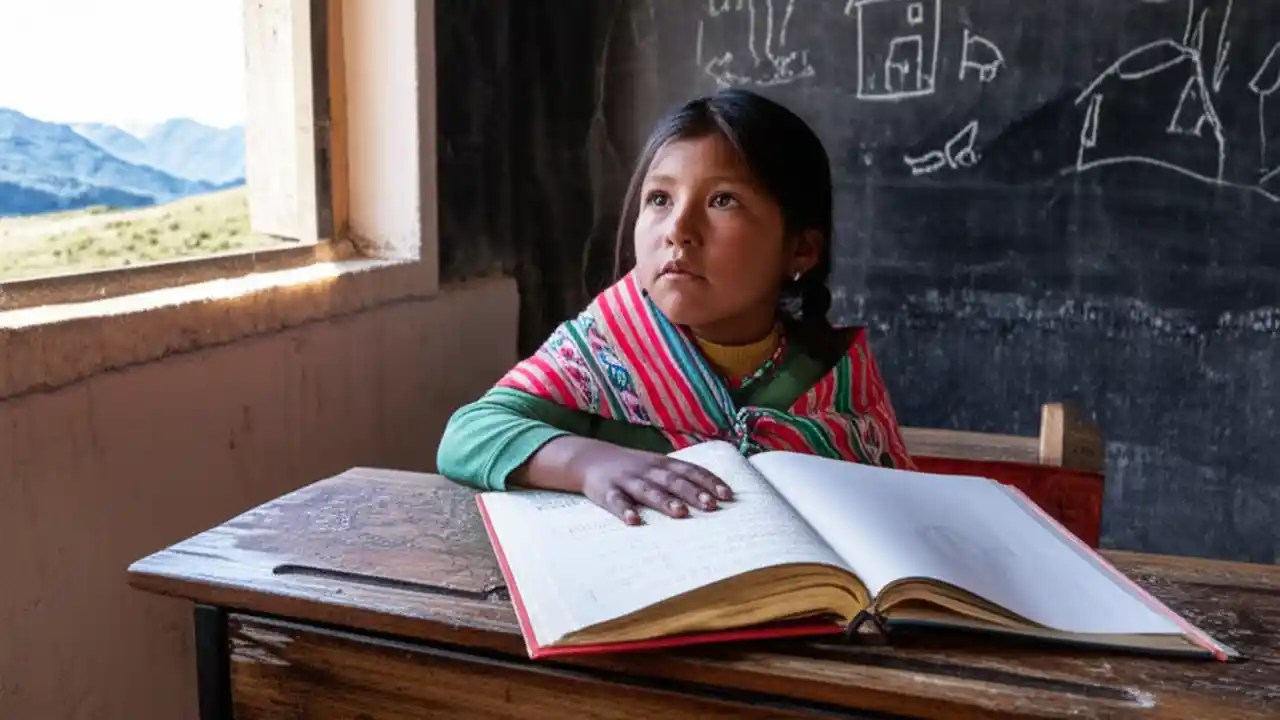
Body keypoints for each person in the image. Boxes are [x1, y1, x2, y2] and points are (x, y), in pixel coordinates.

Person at [437, 88, 914, 525]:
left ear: (801, 250)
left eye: (723, 200)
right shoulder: (607, 353)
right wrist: (589, 463)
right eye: (660, 198)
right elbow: (468, 436)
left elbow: (895, 518)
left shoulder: (833, 382)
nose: (678, 228)